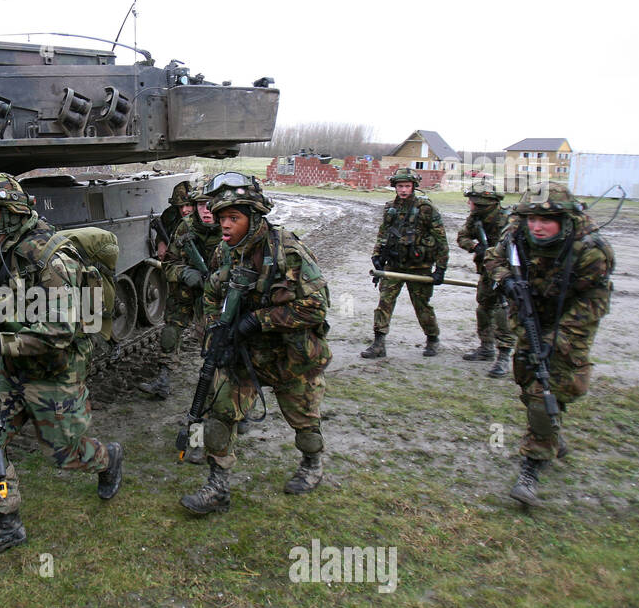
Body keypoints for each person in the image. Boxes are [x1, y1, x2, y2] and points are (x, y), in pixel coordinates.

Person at [0, 173, 123, 554]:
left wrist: (1, 344)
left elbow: (60, 332)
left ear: (10, 215)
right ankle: (7, 522)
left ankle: (108, 458)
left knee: (65, 454)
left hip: (54, 370)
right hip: (13, 370)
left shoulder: (51, 260)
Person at [180, 172, 331, 515]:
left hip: (291, 355)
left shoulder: (288, 251)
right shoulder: (225, 251)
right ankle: (217, 487)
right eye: (221, 218)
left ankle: (311, 464)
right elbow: (212, 294)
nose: (225, 225)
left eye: (233, 218)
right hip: (244, 353)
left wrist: (257, 320)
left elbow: (317, 307)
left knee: (304, 419)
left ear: (254, 216)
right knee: (221, 412)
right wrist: (215, 331)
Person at [484, 183, 614, 507]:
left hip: (572, 316)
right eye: (532, 219)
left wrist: (560, 338)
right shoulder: (516, 234)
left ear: (565, 218)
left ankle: (532, 467)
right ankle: (552, 434)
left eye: (547, 220)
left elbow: (595, 298)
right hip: (529, 311)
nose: (537, 227)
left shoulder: (591, 249)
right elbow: (493, 258)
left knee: (548, 384)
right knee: (527, 378)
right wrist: (505, 280)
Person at [139, 180, 221, 400]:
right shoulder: (186, 227)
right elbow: (169, 264)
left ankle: (226, 395)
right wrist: (186, 274)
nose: (205, 210)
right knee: (172, 327)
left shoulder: (230, 226)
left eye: (210, 204)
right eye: (200, 204)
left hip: (219, 293)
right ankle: (163, 379)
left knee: (218, 338)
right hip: (187, 288)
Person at [361, 168, 448, 358]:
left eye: (407, 186)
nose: (403, 190)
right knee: (384, 302)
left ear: (414, 187)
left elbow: (441, 239)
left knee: (422, 305)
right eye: (400, 186)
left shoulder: (426, 208)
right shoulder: (390, 207)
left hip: (419, 267)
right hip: (394, 264)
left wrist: (441, 268)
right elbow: (383, 233)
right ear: (395, 187)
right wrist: (377, 255)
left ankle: (432, 339)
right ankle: (379, 343)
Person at [456, 180, 515, 376]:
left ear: (483, 203)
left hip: (506, 274)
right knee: (483, 308)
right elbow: (462, 237)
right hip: (486, 272)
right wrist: (475, 247)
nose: (469, 204)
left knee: (502, 311)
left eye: (472, 201)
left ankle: (504, 355)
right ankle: (486, 348)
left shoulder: (509, 221)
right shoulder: (475, 219)